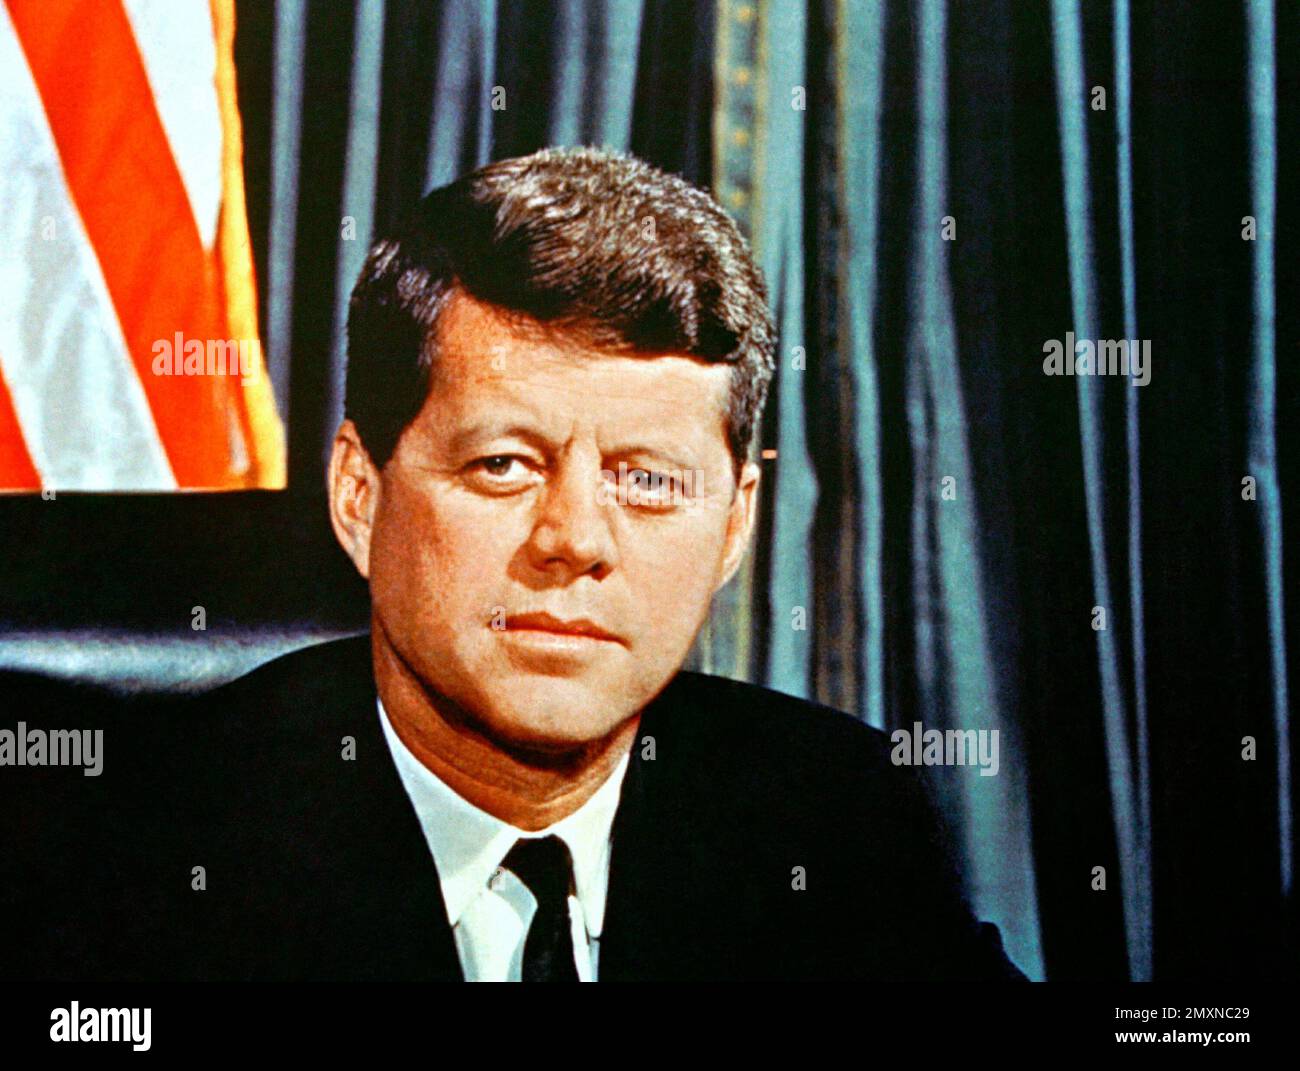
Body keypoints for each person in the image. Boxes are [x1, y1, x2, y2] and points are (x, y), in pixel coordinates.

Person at [4, 146, 1025, 982]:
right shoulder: (117, 861)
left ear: (733, 526)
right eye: (503, 465)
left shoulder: (830, 815)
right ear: (360, 497)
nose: (575, 539)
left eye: (648, 480)